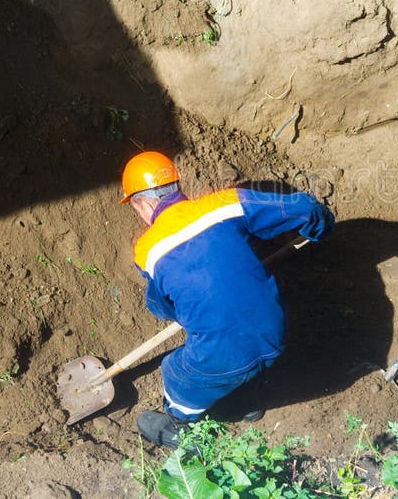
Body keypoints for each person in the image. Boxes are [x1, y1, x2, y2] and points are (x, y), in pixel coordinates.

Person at [120, 150, 335, 447]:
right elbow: (303, 207)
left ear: (142, 204)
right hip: (275, 334)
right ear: (176, 185)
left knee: (175, 371)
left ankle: (179, 425)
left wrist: (181, 311)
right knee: (245, 351)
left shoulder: (147, 251)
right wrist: (321, 227)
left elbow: (162, 306)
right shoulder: (224, 204)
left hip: (225, 355)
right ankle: (246, 402)